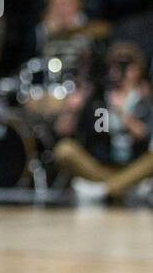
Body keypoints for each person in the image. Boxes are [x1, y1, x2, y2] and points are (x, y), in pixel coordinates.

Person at [54, 42, 153, 202]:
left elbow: (143, 134)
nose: (120, 72)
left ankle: (104, 190)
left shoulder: (144, 99)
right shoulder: (98, 96)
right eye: (116, 65)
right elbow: (63, 131)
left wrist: (121, 112)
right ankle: (122, 188)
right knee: (64, 149)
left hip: (133, 166)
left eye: (127, 66)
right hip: (101, 166)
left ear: (138, 69)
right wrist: (71, 109)